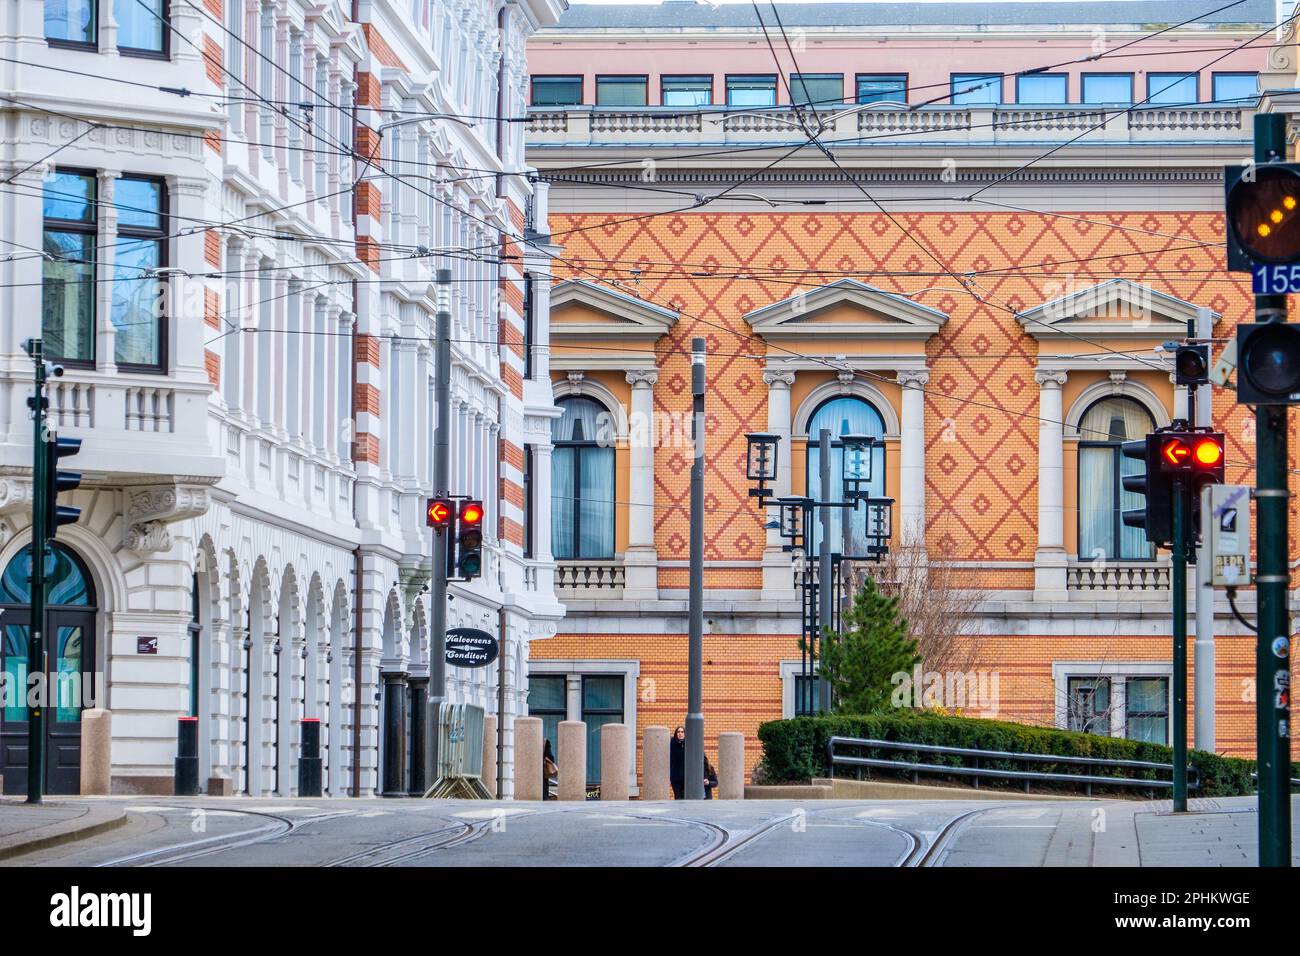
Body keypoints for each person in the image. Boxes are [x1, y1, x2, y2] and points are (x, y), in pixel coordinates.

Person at [669, 725, 686, 799]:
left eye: (682, 732)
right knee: (678, 797)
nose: (680, 733)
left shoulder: (688, 744)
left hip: (686, 777)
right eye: (678, 732)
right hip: (675, 777)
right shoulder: (672, 743)